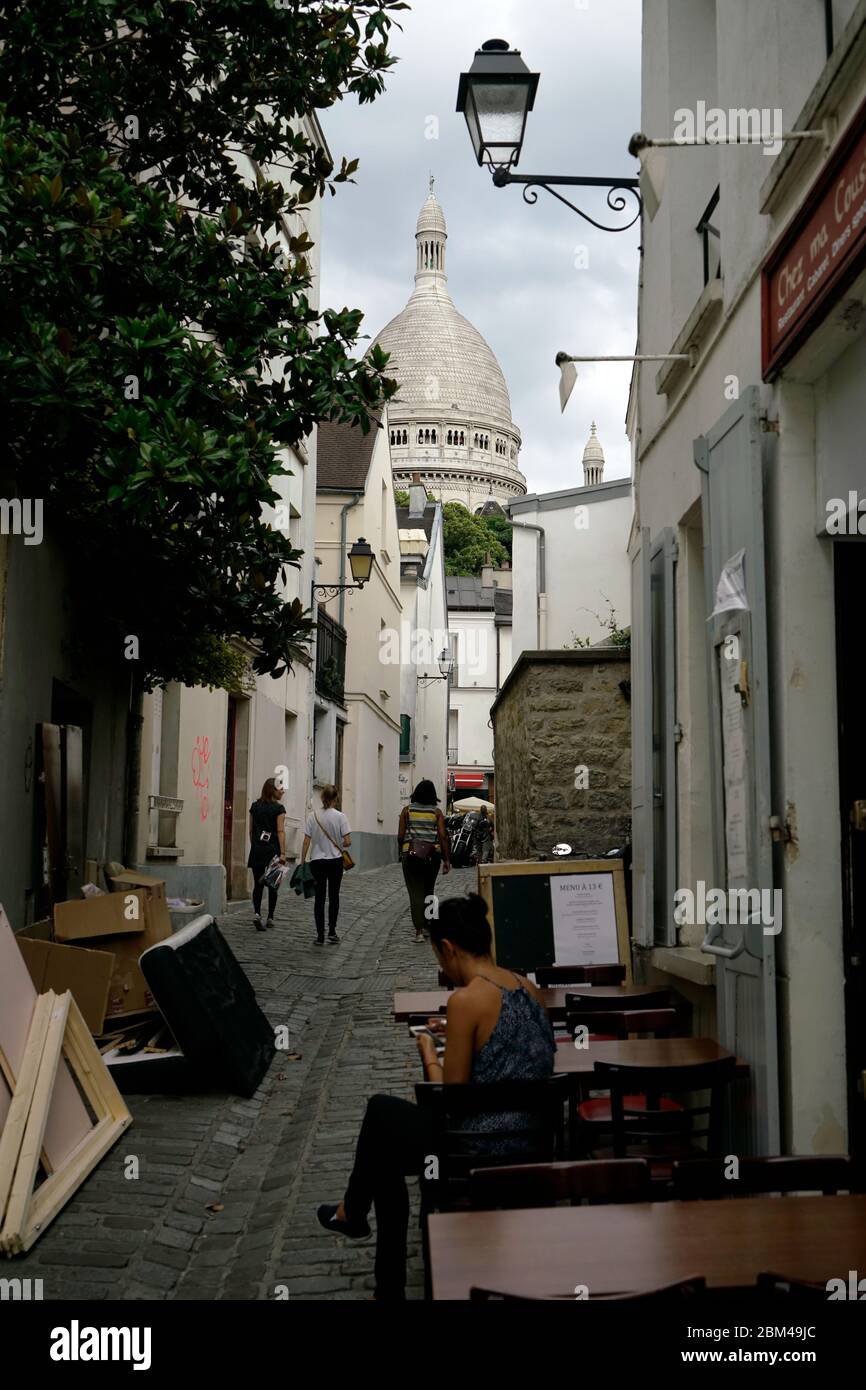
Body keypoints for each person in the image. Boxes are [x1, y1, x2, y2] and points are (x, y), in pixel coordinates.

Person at [316, 893, 555, 1301]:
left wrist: (429, 1051)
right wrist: (457, 1038)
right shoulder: (529, 989)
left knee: (380, 1117)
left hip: (476, 1148)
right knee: (385, 1143)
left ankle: (362, 1231)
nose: (442, 968)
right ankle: (355, 1219)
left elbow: (452, 1098)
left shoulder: (466, 1000)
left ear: (449, 948)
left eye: (439, 958)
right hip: (534, 1140)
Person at [398, 780, 451, 943]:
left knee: (415, 892)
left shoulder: (407, 811)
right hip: (432, 855)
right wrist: (446, 859)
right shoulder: (437, 812)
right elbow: (442, 836)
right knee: (429, 890)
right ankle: (430, 926)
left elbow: (400, 835)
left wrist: (402, 851)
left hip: (411, 854)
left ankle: (419, 931)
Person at [301, 785, 351, 946]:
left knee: (320, 898)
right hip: (335, 861)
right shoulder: (340, 817)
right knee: (334, 896)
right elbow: (348, 841)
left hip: (317, 861)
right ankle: (332, 931)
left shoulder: (312, 816)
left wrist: (303, 861)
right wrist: (340, 842)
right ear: (335, 798)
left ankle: (320, 935)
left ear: (322, 798)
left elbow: (307, 840)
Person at [248, 778, 287, 932]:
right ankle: (270, 917)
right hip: (273, 849)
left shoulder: (255, 807)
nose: (283, 791)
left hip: (257, 849)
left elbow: (251, 830)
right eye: (280, 789)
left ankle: (257, 914)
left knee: (257, 885)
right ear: (272, 790)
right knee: (273, 885)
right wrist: (283, 852)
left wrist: (256, 845)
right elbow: (280, 831)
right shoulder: (279, 809)